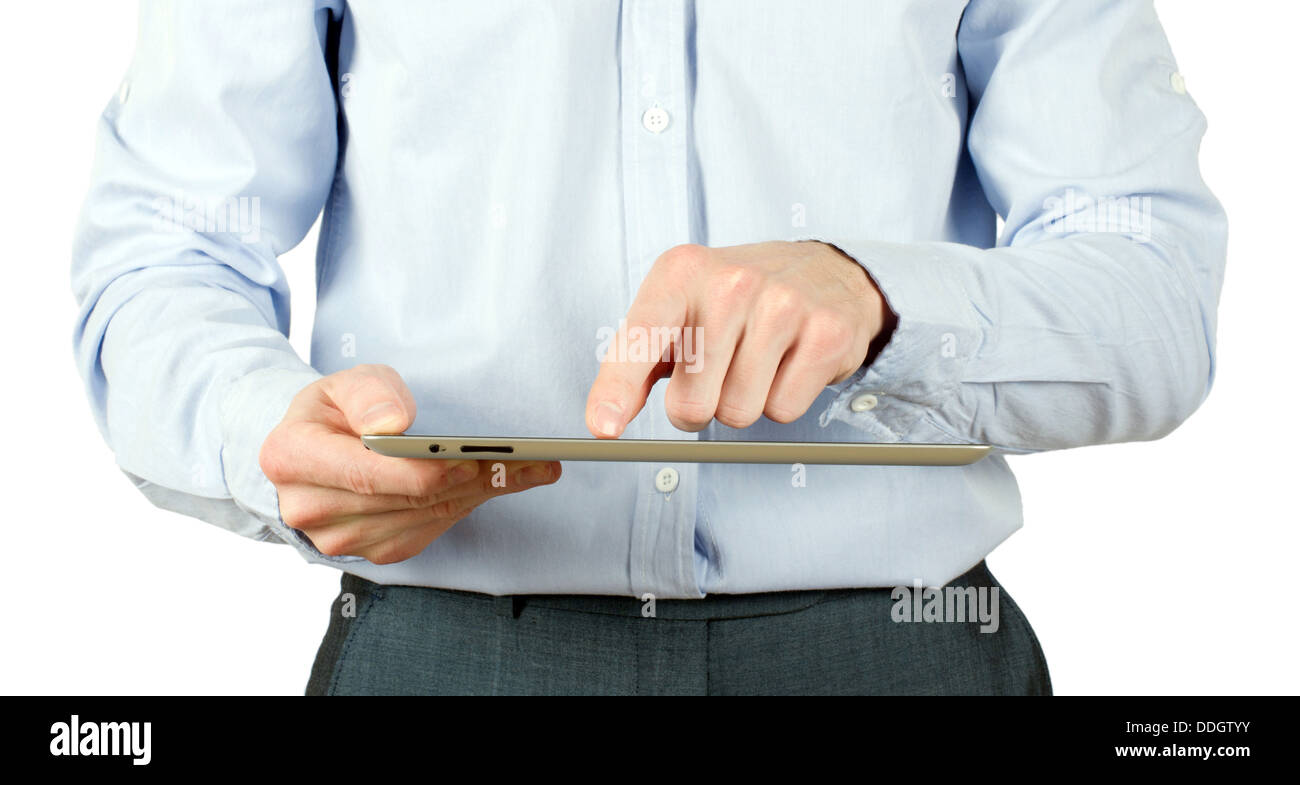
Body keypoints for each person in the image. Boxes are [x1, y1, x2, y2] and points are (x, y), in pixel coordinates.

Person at [71, 0, 1226, 695]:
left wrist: (880, 300)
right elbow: (164, 249)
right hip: (440, 654)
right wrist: (265, 429)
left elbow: (1152, 290)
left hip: (900, 650)